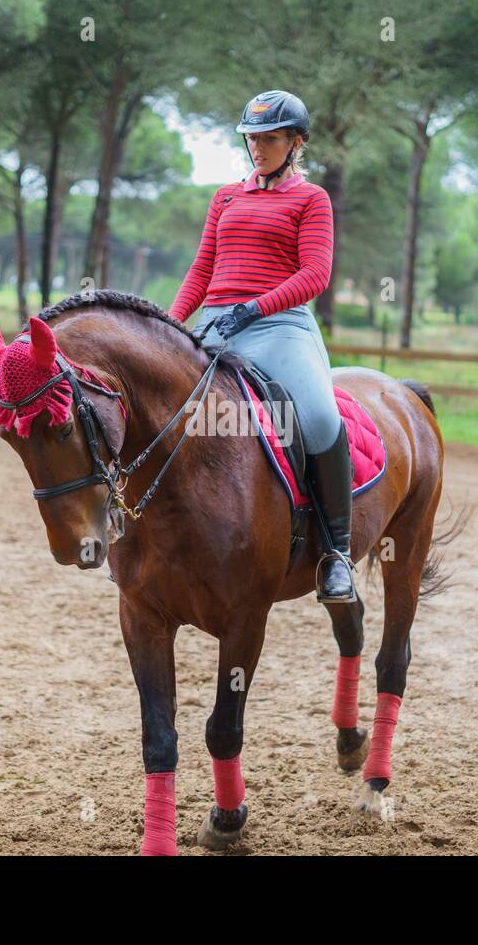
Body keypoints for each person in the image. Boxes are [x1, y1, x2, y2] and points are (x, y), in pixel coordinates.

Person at [168, 89, 356, 603]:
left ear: (296, 143)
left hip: (279, 326)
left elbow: (316, 272)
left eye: (269, 139)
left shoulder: (311, 199)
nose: (258, 148)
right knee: (158, 407)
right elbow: (203, 269)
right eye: (252, 140)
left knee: (317, 417)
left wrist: (253, 308)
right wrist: (170, 325)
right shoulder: (225, 197)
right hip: (215, 326)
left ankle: (336, 553)